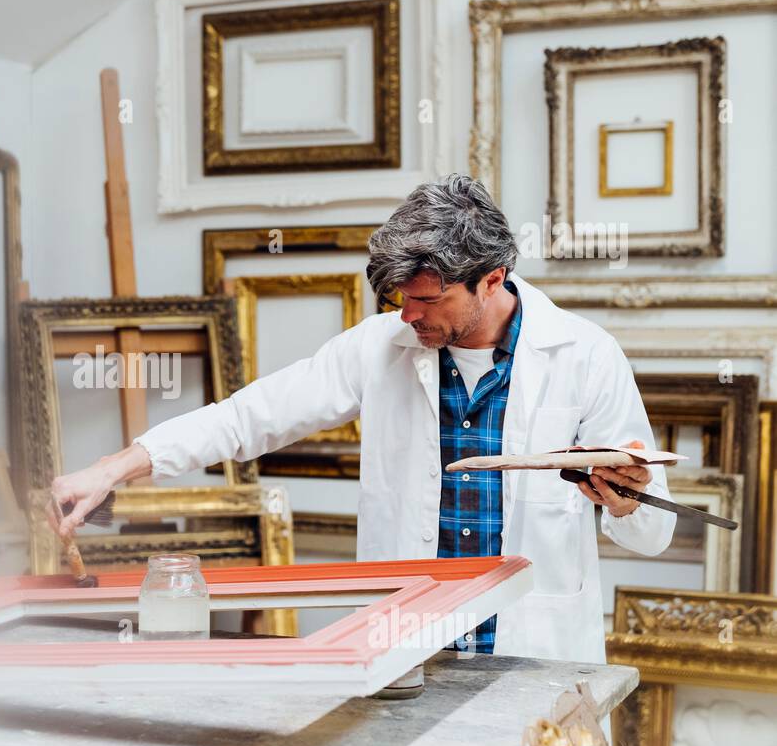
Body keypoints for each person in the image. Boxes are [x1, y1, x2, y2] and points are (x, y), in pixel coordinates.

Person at [49, 174, 674, 664]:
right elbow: (249, 418)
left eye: (428, 300)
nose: (409, 316)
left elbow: (653, 534)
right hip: (408, 649)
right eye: (401, 299)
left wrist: (626, 503)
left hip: (535, 653)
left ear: (492, 279)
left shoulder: (587, 356)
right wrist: (115, 466)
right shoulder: (378, 347)